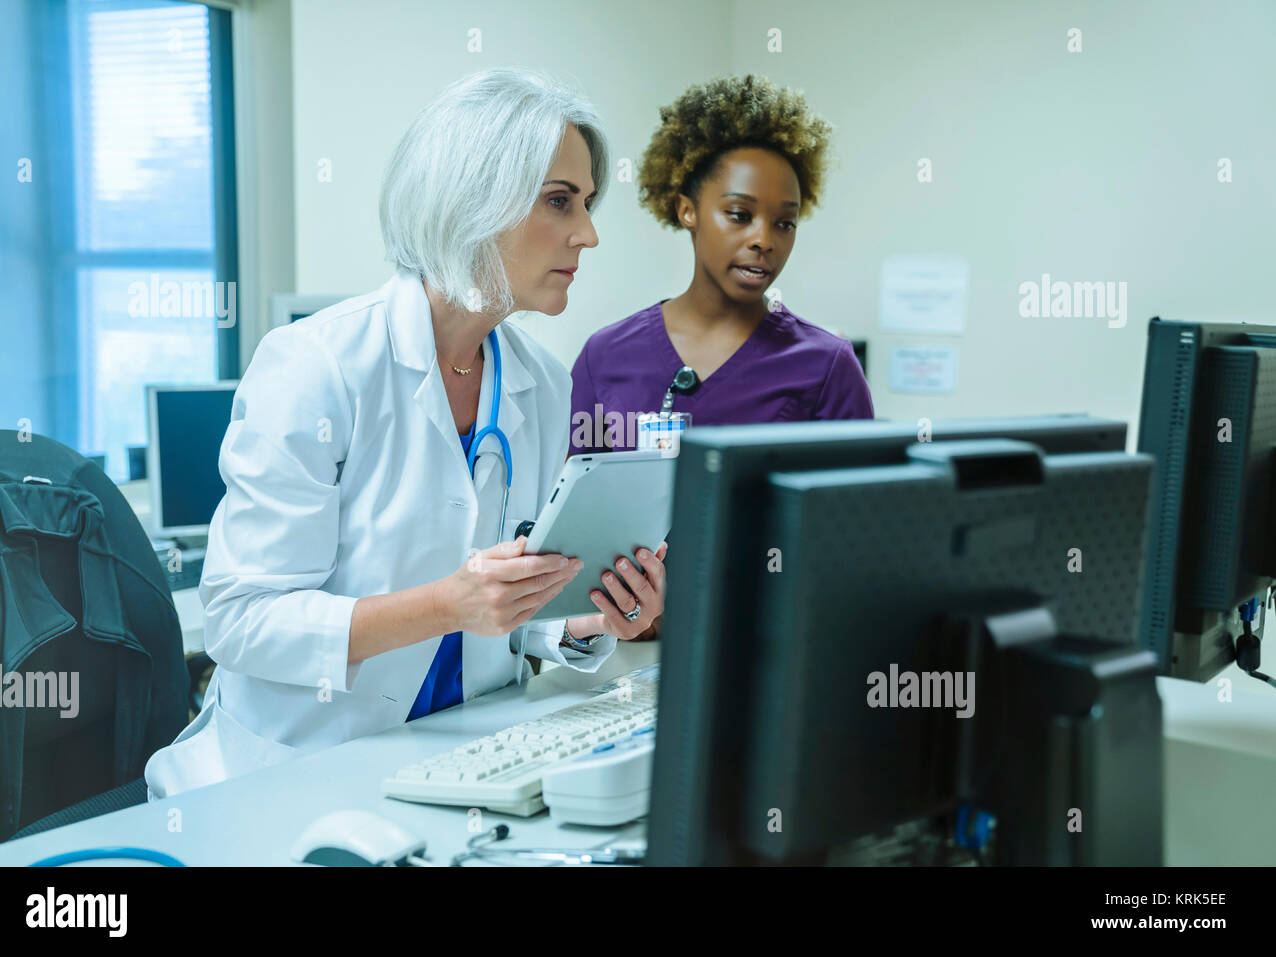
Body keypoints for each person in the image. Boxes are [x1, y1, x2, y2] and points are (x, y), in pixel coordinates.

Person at [145, 69, 666, 799]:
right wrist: (447, 604)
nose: (589, 233)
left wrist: (585, 615)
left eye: (585, 202)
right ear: (474, 200)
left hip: (461, 759)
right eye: (560, 201)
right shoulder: (316, 367)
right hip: (292, 774)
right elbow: (239, 621)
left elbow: (508, 626)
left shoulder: (542, 384)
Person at [569, 74, 873, 458]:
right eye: (739, 214)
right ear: (687, 210)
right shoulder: (606, 356)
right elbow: (576, 505)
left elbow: (852, 511)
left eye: (784, 223)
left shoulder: (828, 367)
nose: (764, 240)